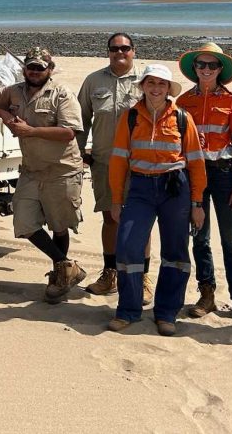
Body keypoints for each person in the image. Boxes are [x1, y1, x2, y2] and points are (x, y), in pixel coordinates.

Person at [107, 64, 206, 335]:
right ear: (142, 86)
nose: (156, 89)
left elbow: (196, 162)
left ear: (168, 89)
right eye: (151, 83)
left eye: (161, 84)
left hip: (175, 189)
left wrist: (197, 202)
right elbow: (118, 161)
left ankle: (166, 312)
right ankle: (128, 309)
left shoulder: (183, 118)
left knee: (175, 252)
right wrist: (116, 199)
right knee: (127, 246)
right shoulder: (130, 117)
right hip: (140, 188)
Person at [0, 47, 87, 303]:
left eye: (40, 68)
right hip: (31, 170)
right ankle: (66, 265)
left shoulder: (62, 94)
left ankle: (60, 277)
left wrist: (30, 131)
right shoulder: (13, 91)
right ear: (24, 69)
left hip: (62, 170)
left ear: (50, 69)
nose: (34, 72)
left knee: (59, 225)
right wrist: (9, 117)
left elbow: (69, 132)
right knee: (23, 222)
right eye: (30, 67)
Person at [176, 43, 232, 321]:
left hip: (224, 174)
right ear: (194, 68)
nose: (205, 69)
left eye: (211, 65)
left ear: (220, 70)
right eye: (201, 64)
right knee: (199, 237)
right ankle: (207, 294)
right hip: (193, 175)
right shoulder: (182, 103)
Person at [76, 32, 149, 300]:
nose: (120, 53)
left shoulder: (146, 80)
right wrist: (80, 152)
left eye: (125, 48)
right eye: (114, 48)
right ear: (108, 51)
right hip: (104, 161)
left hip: (140, 162)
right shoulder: (93, 80)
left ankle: (142, 277)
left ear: (134, 50)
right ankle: (111, 274)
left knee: (141, 220)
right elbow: (81, 118)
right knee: (110, 217)